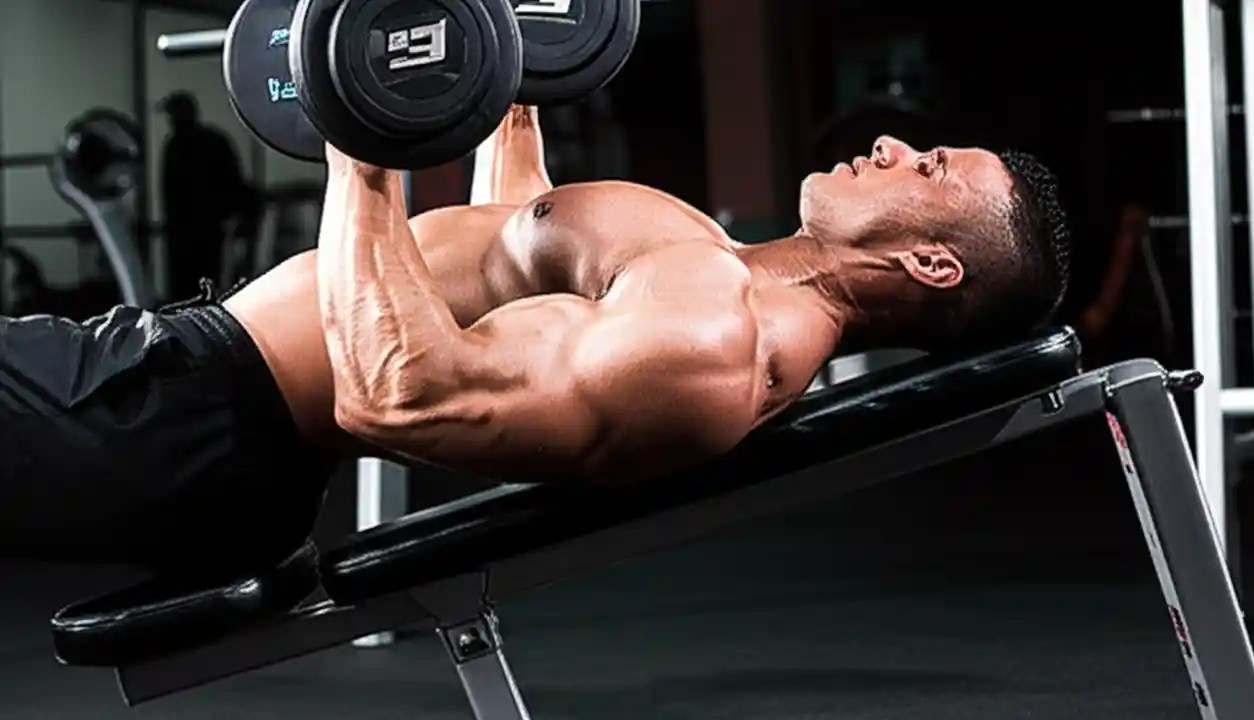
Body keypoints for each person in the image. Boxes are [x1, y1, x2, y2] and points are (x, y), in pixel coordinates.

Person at [0, 106, 1069, 573]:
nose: (891, 144)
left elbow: (400, 396)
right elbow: (514, 257)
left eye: (929, 167)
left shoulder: (713, 340)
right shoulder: (720, 275)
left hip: (173, 418)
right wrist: (512, 90)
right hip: (175, 393)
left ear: (933, 266)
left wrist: (359, 150)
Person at [158, 92, 255, 301]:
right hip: (205, 229)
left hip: (192, 231)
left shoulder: (176, 146)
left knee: (186, 287)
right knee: (206, 283)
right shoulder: (212, 140)